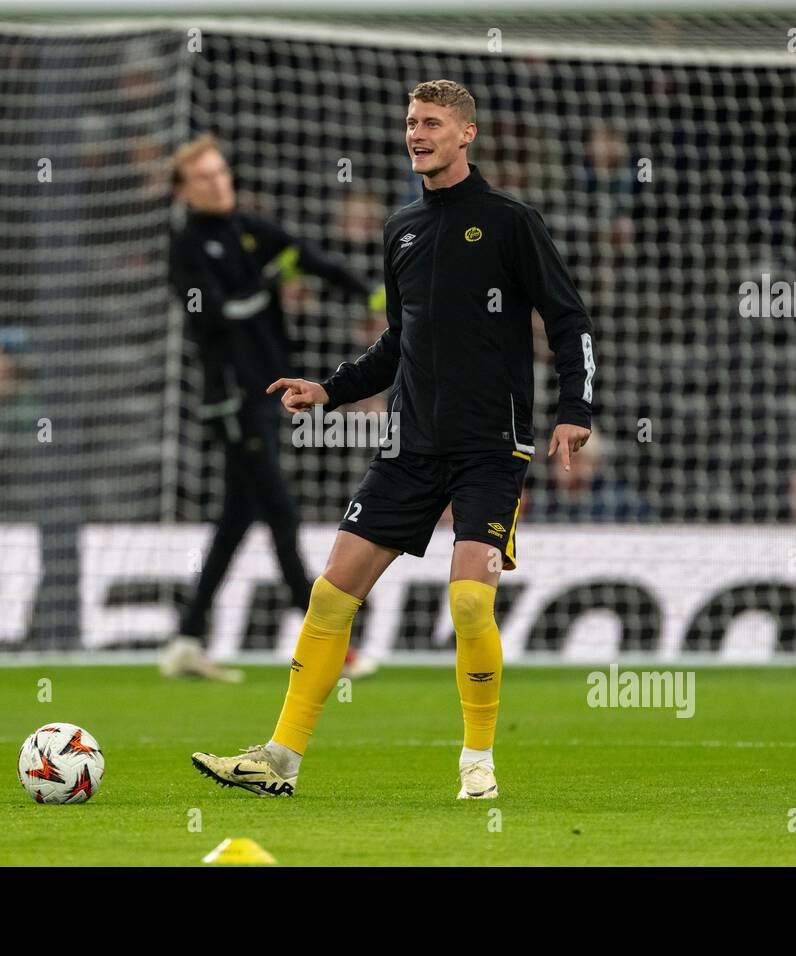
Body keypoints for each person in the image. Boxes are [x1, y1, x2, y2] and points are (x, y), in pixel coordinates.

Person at [192, 80, 596, 799]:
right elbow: (397, 343)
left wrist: (576, 406)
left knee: (470, 603)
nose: (417, 133)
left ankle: (478, 761)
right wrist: (330, 388)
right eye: (411, 122)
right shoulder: (402, 228)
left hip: (489, 447)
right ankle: (279, 760)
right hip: (409, 445)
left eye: (432, 122)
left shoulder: (509, 221)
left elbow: (568, 320)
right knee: (328, 596)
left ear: (466, 134)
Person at [163, 134, 383, 682]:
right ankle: (327, 641)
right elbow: (214, 315)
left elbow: (308, 258)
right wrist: (271, 281)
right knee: (279, 511)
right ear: (184, 190)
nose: (219, 183)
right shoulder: (188, 245)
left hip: (265, 392)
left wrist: (375, 297)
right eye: (206, 177)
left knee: (237, 519)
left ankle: (187, 637)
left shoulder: (247, 228)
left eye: (222, 173)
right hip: (234, 399)